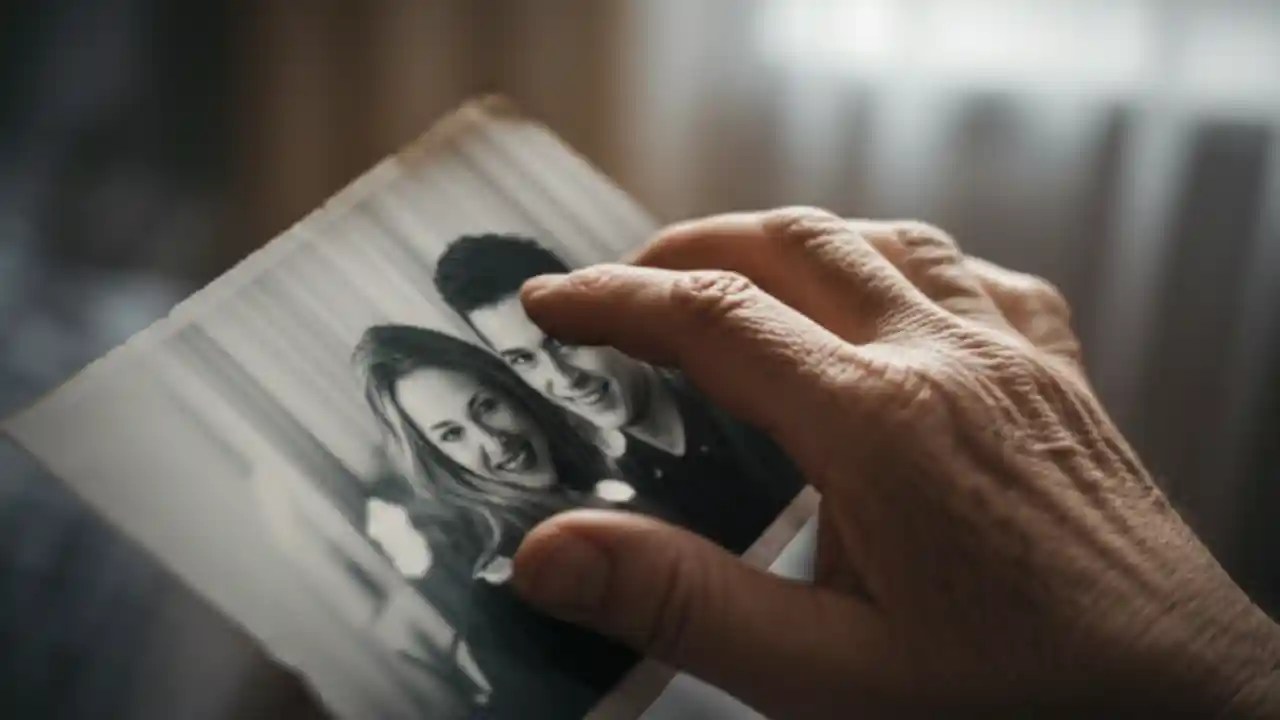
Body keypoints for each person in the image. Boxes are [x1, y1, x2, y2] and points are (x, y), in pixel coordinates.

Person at [502, 208, 1280, 718]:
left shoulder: (756, 430)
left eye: (554, 346)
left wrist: (1226, 683)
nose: (557, 376)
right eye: (522, 365)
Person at [353, 324, 665, 719]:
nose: (493, 441)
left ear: (511, 390)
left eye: (485, 406)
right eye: (452, 435)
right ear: (443, 462)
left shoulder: (628, 476)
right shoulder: (504, 610)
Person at [434, 233, 803, 553]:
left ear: (604, 308)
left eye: (562, 340)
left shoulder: (743, 371)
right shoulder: (620, 502)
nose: (563, 379)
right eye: (524, 359)